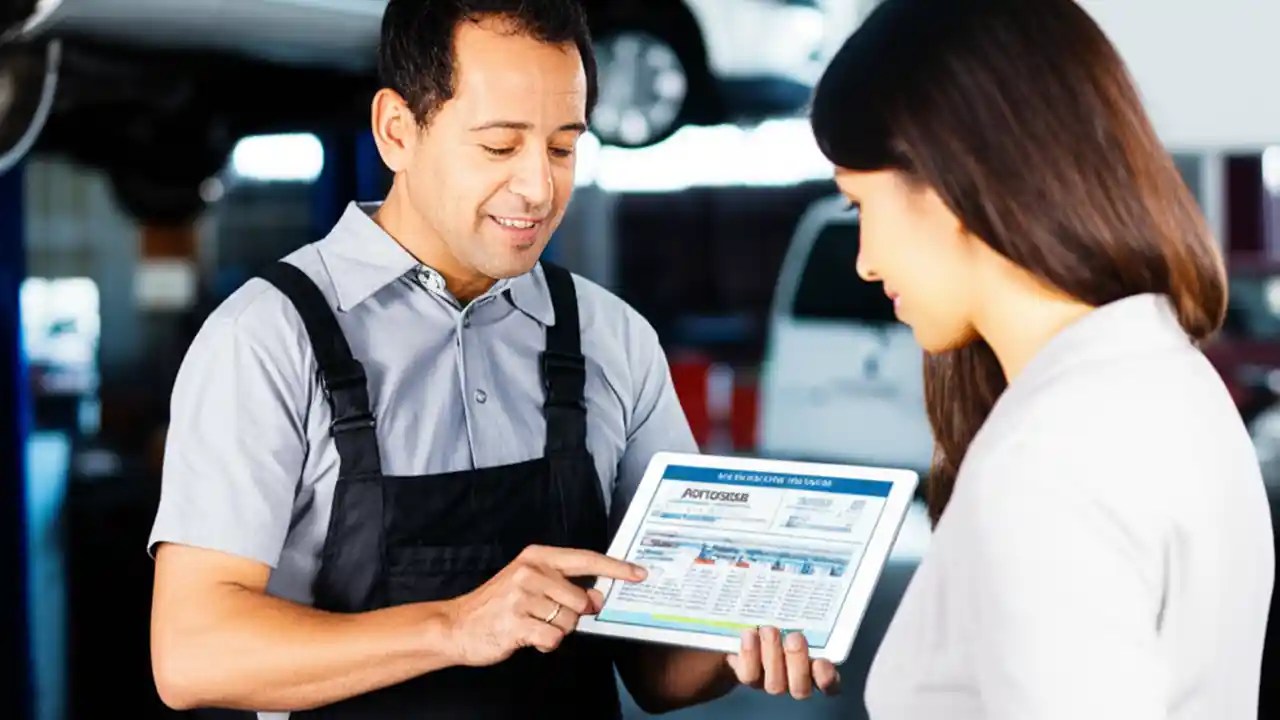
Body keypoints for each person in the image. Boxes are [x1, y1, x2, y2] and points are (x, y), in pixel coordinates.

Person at [146, 1, 839, 718]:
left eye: (564, 147)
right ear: (397, 132)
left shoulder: (611, 338)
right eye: (501, 146)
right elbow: (194, 653)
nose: (540, 188)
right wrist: (453, 627)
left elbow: (655, 671)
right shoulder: (267, 339)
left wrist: (737, 644)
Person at [807, 0, 1275, 718]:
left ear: (950, 182)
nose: (866, 261)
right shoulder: (1168, 381)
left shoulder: (1044, 458)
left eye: (858, 204)